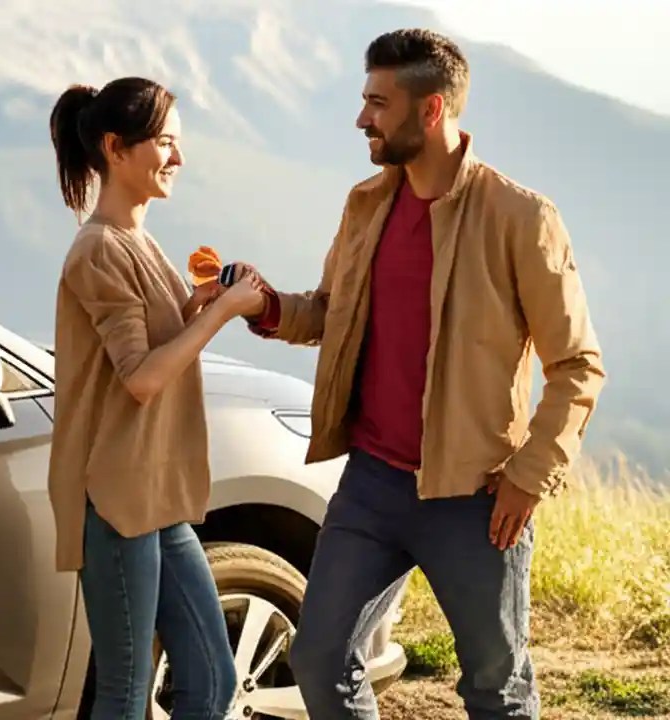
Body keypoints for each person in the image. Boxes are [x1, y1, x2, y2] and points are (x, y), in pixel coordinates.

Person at [228, 29, 605, 719]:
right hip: (371, 483)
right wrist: (269, 307)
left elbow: (578, 365)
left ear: (430, 112)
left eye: (377, 102)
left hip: (475, 498)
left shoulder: (521, 218)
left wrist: (528, 475)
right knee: (318, 658)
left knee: (496, 687)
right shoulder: (368, 204)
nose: (361, 118)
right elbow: (334, 311)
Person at [47, 76, 266, 719]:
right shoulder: (96, 251)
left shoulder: (141, 241)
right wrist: (221, 311)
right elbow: (140, 377)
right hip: (115, 500)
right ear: (116, 148)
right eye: (166, 143)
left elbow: (152, 334)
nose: (178, 158)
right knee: (123, 691)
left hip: (156, 498)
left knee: (214, 678)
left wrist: (200, 300)